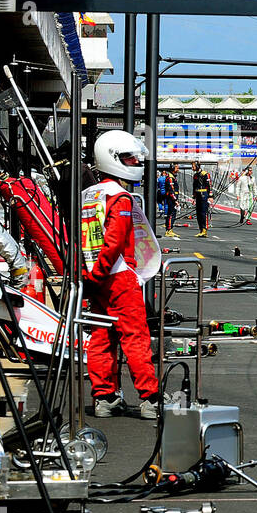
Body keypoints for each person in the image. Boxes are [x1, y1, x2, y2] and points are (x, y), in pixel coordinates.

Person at [82, 131, 162, 419]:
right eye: (129, 158)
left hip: (93, 276)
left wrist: (91, 277)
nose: (136, 162)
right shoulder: (121, 197)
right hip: (118, 276)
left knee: (101, 337)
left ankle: (104, 398)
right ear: (112, 158)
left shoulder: (88, 195)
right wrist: (103, 271)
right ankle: (150, 399)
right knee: (135, 337)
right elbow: (115, 240)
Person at [158, 165, 179, 238]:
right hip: (171, 198)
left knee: (171, 213)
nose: (178, 169)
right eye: (177, 168)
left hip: (170, 197)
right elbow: (171, 190)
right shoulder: (170, 178)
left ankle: (170, 229)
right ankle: (169, 230)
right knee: (171, 214)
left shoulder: (171, 177)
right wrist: (175, 200)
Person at [192, 160, 211, 238]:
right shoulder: (195, 175)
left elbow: (209, 186)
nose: (192, 168)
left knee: (203, 213)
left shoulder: (205, 174)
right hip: (198, 196)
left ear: (197, 166)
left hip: (204, 195)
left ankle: (204, 230)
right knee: (198, 213)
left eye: (193, 166)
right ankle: (201, 229)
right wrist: (193, 197)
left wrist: (210, 196)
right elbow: (194, 186)